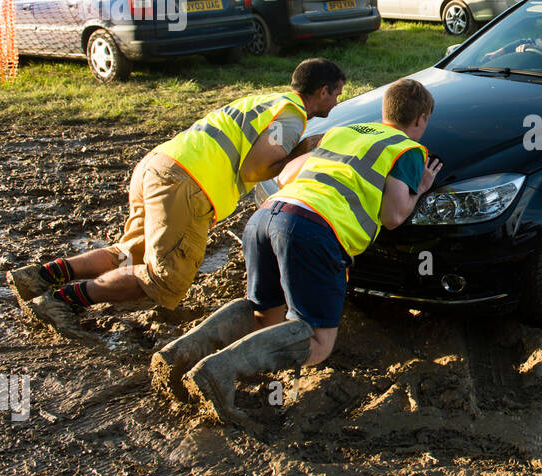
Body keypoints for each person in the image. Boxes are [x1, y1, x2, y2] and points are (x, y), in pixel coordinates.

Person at [151, 79, 442, 428]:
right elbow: (393, 216)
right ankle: (217, 371)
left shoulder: (343, 132)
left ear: (385, 110)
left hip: (268, 215)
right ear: (421, 119)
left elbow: (287, 173)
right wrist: (420, 189)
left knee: (265, 312)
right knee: (318, 341)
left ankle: (180, 354)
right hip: (313, 230)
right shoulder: (406, 149)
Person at [9, 59, 347, 339]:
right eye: (337, 94)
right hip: (187, 183)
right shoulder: (291, 116)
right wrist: (304, 153)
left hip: (159, 165)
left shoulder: (267, 101)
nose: (336, 103)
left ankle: (39, 277)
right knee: (166, 279)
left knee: (131, 255)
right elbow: (256, 168)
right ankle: (62, 301)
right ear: (323, 91)